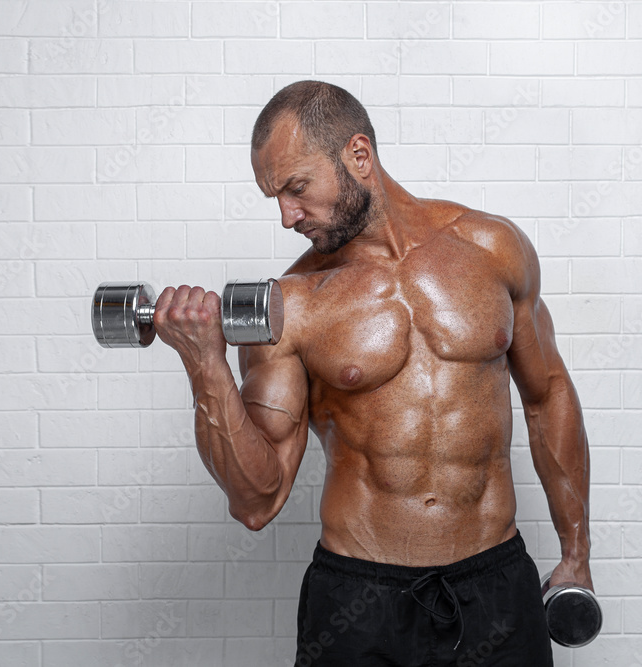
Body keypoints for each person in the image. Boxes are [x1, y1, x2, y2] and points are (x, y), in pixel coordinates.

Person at [151, 80, 592, 666]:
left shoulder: (493, 249)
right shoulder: (293, 305)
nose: (286, 217)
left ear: (359, 155)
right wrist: (205, 363)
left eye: (296, 188)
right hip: (358, 604)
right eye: (275, 198)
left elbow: (547, 395)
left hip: (496, 587)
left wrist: (576, 551)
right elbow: (256, 501)